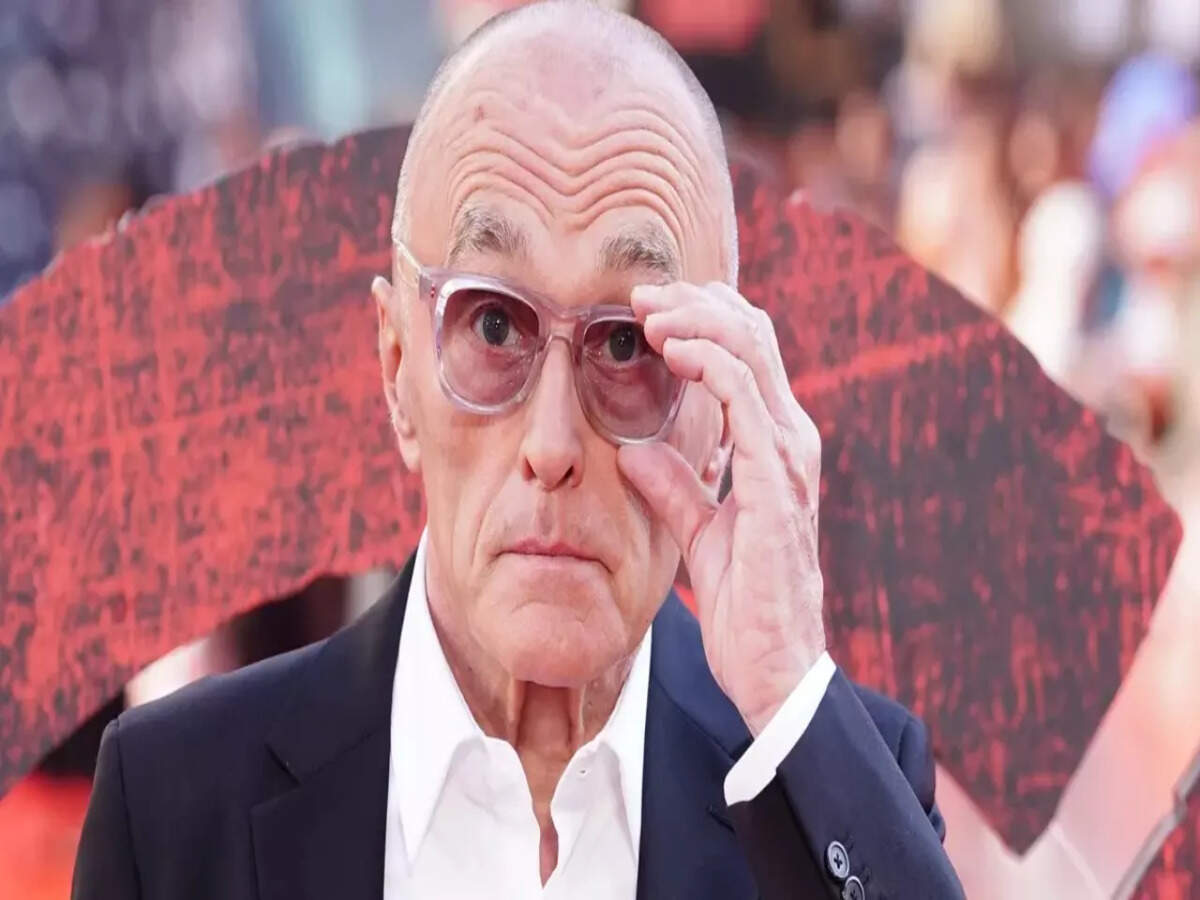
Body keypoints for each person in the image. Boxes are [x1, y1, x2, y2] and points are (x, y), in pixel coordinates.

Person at [71, 3, 964, 898]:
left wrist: (784, 693)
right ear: (396, 367)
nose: (552, 444)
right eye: (493, 325)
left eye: (627, 345)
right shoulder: (176, 807)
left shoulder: (829, 786)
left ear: (720, 421)